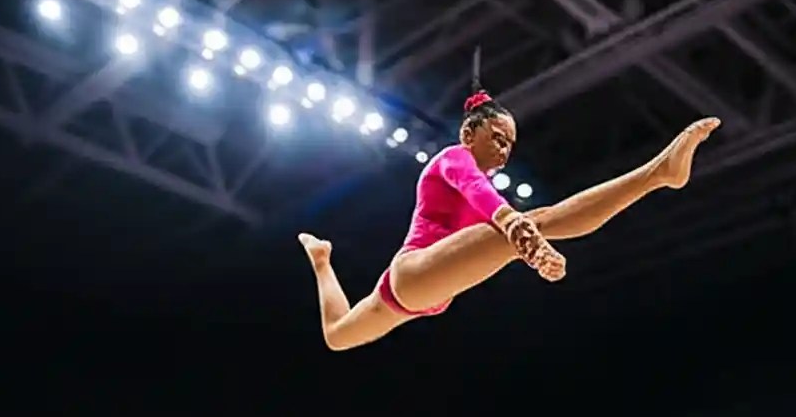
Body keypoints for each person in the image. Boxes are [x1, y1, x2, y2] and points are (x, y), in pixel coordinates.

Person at [299, 87, 721, 351]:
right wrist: (520, 231)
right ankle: (657, 173)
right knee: (537, 219)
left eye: (510, 145)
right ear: (469, 134)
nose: (503, 151)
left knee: (337, 336)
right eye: (496, 139)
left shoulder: (479, 171)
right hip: (413, 273)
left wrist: (528, 244)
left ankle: (321, 261)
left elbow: (488, 211)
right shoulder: (453, 157)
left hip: (424, 293)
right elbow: (477, 192)